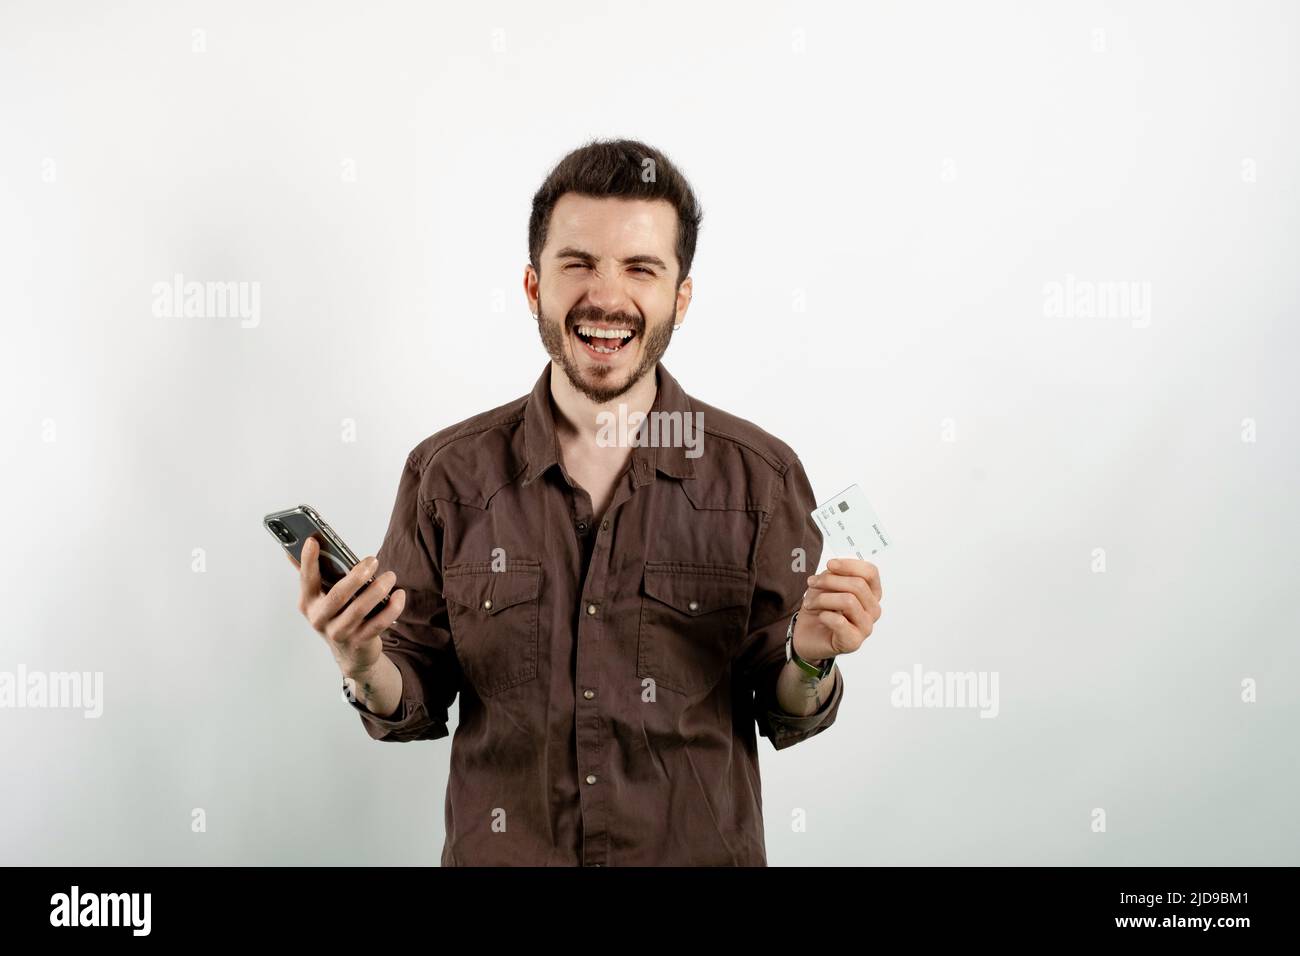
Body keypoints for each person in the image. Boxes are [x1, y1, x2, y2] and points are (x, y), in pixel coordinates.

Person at [288, 139, 884, 866]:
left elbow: (785, 709)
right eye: (579, 264)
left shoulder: (760, 477)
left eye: (641, 268)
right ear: (535, 287)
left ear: (680, 298)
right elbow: (410, 700)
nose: (606, 297)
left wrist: (813, 659)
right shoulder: (446, 475)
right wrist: (360, 660)